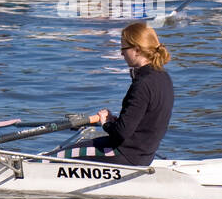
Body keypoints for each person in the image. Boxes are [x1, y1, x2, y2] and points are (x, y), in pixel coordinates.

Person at [72, 22, 173, 167]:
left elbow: (122, 133)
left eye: (124, 48)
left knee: (58, 155)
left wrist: (106, 123)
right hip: (143, 154)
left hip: (125, 155)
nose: (121, 53)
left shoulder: (143, 84)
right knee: (80, 146)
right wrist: (116, 122)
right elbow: (141, 122)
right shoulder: (163, 77)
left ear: (137, 50)